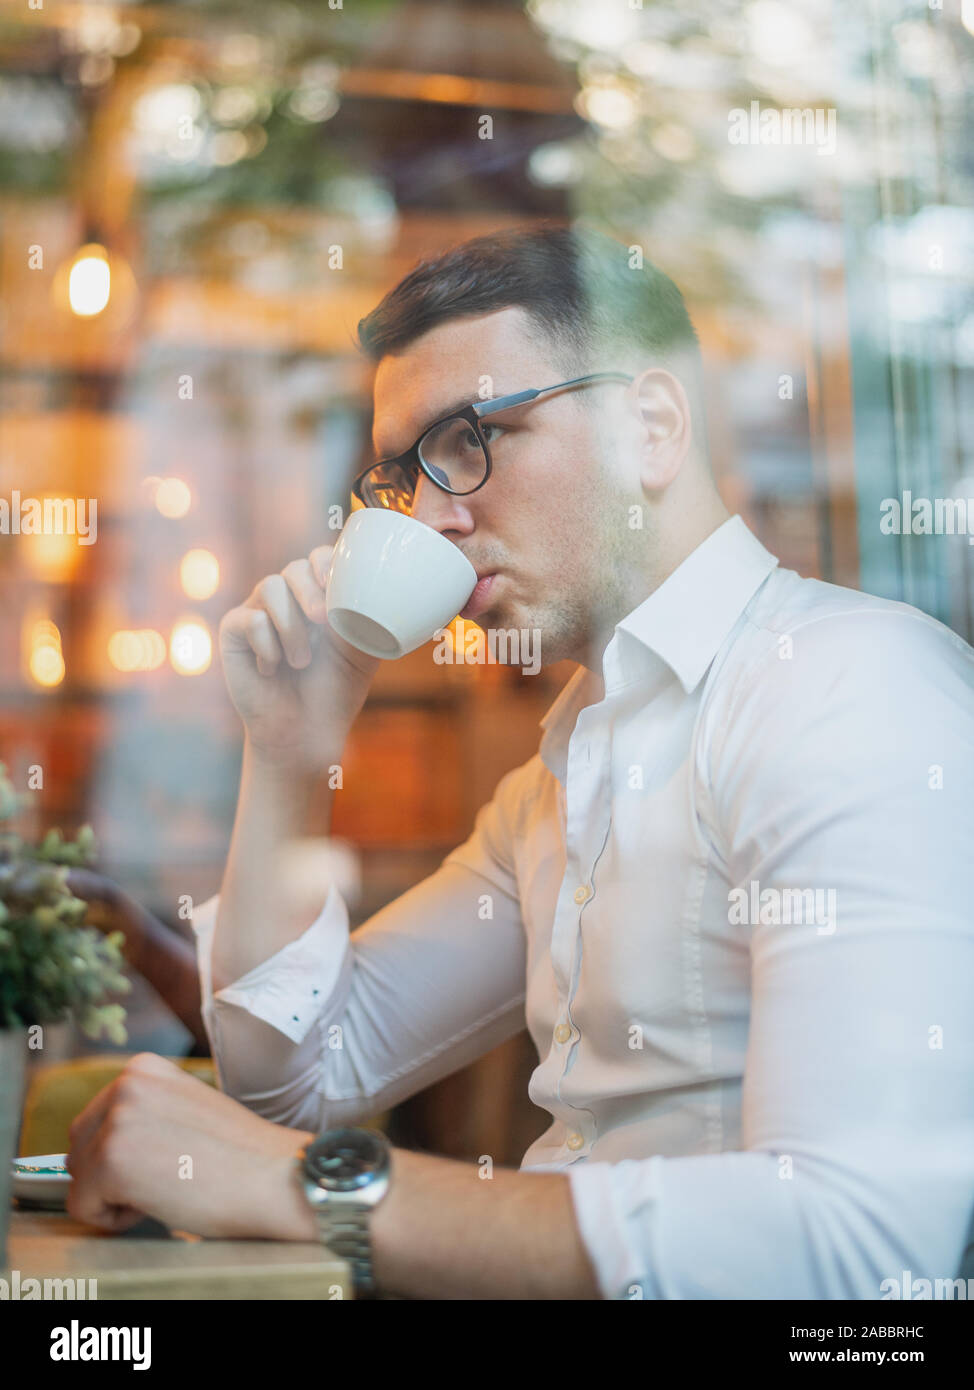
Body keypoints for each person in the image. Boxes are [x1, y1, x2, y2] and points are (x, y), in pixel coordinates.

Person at [66, 225, 974, 1300]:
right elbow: (298, 1078)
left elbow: (858, 1248)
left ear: (649, 427)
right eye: (401, 473)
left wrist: (311, 1190)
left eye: (468, 438)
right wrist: (291, 753)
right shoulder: (555, 778)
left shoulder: (847, 689)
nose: (430, 517)